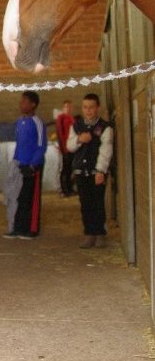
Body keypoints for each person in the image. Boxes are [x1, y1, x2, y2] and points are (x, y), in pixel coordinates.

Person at [66, 93, 113, 249]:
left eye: (91, 107)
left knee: (98, 202)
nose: (88, 110)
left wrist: (100, 170)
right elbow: (69, 146)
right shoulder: (76, 126)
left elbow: (105, 150)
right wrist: (79, 139)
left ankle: (100, 234)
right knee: (85, 203)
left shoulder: (105, 128)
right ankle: (89, 233)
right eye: (85, 107)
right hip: (81, 171)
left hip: (96, 172)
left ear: (97, 108)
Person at [3, 91, 47, 239]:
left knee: (31, 198)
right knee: (19, 198)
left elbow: (41, 145)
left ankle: (32, 229)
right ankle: (19, 228)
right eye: (21, 101)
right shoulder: (19, 122)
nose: (21, 104)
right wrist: (15, 162)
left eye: (24, 101)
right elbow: (19, 144)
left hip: (33, 167)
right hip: (20, 165)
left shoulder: (38, 122)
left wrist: (33, 164)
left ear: (33, 104)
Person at [56, 100, 76, 197]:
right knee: (64, 169)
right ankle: (64, 190)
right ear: (63, 108)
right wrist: (63, 148)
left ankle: (69, 188)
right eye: (66, 107)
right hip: (65, 148)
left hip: (72, 148)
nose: (68, 108)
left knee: (70, 169)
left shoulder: (72, 119)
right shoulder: (61, 118)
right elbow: (60, 133)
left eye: (69, 107)